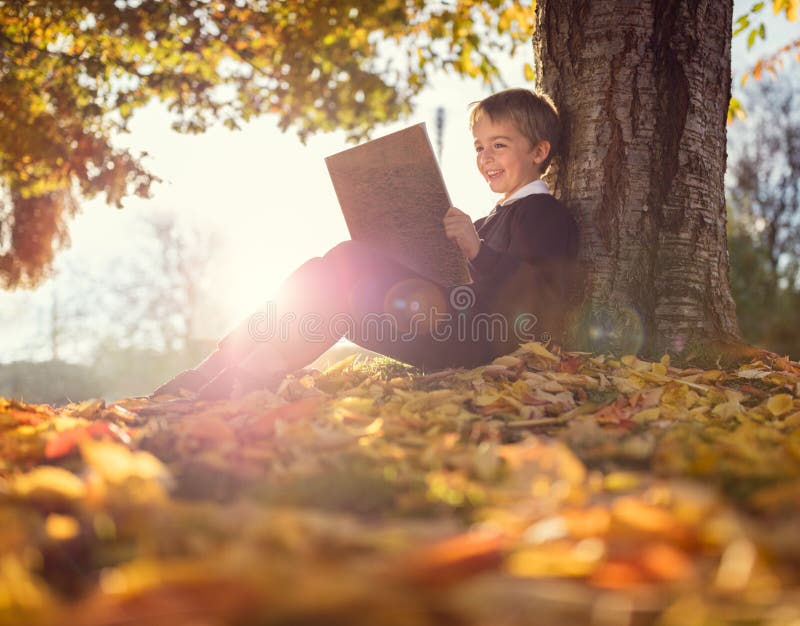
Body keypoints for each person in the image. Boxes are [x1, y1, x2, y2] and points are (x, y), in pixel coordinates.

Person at [152, 88, 579, 400]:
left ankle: (226, 384)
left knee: (345, 266)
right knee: (333, 272)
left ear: (539, 151)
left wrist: (477, 252)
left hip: (477, 343)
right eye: (479, 147)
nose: (485, 158)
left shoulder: (545, 214)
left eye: (499, 146)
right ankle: (215, 374)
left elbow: (539, 302)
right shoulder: (489, 218)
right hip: (443, 324)